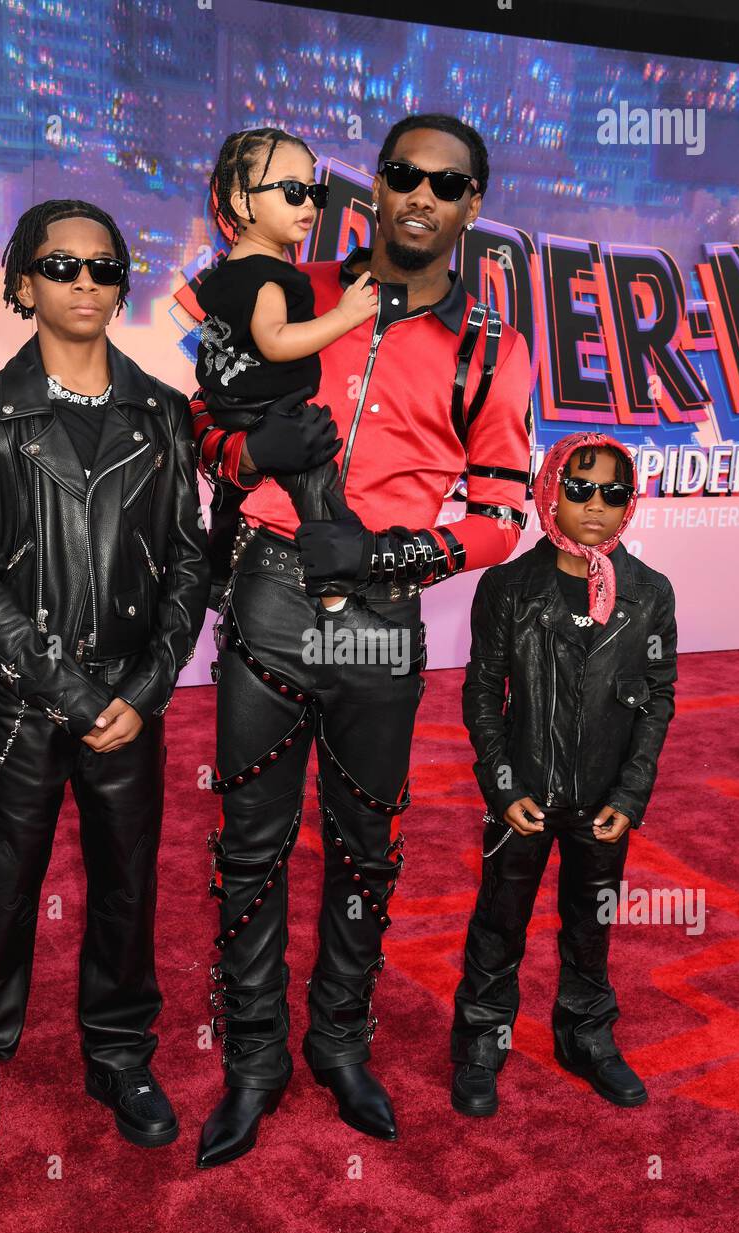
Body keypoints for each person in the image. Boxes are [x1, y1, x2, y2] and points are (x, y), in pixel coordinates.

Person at [190, 114, 532, 1169]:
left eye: (446, 183)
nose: (421, 195)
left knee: (363, 848)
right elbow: (206, 422)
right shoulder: (287, 293)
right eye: (401, 174)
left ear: (472, 205)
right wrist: (251, 452)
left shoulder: (493, 347)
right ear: (372, 190)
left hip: (382, 618)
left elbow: (502, 516)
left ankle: (340, 1042)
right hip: (268, 596)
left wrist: (389, 555)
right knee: (249, 844)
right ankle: (253, 1061)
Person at [0, 199, 211, 1182]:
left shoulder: (164, 413)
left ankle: (121, 1053)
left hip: (134, 699)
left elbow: (189, 560)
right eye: (61, 265)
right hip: (25, 702)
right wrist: (74, 696)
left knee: (128, 887)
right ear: (23, 283)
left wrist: (149, 683)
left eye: (104, 267)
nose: (86, 282)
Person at [451, 430, 678, 1117]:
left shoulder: (650, 593)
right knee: (500, 920)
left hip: (605, 799)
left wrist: (631, 795)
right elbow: (482, 693)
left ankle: (586, 1035)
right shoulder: (507, 587)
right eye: (579, 489)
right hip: (523, 794)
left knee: (591, 923)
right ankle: (482, 1041)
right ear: (551, 492)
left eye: (614, 492)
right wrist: (503, 786)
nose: (596, 505)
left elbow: (657, 697)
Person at [195, 126, 378, 611]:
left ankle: (215, 573)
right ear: (242, 201)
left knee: (231, 499)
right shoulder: (269, 278)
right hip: (265, 411)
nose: (309, 204)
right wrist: (344, 316)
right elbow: (275, 343)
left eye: (315, 193)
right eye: (293, 191)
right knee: (320, 485)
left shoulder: (232, 268)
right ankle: (337, 593)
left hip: (225, 406)